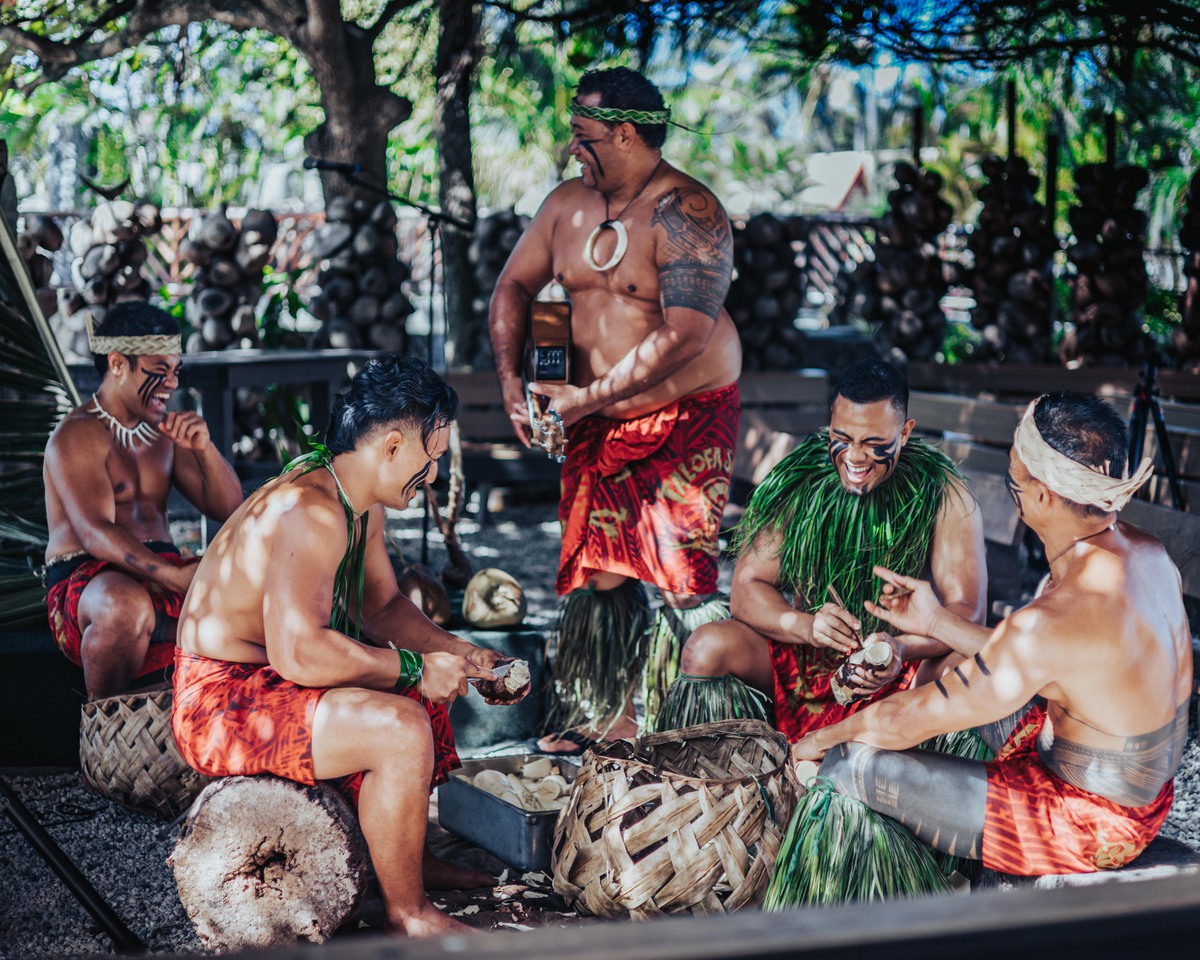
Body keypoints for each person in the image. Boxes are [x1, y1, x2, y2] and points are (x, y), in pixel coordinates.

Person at [171, 356, 520, 938]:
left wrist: (457, 653)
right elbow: (298, 654)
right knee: (401, 727)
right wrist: (412, 666)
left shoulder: (357, 502)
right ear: (390, 445)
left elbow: (379, 607)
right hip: (218, 705)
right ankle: (408, 911)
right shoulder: (312, 512)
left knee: (426, 695)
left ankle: (411, 862)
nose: (431, 475)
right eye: (429, 458)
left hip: (264, 683)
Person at [792, 391, 1190, 876]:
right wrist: (938, 623)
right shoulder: (1145, 553)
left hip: (1091, 823)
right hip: (1144, 793)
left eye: (1013, 477)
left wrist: (816, 741)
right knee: (952, 663)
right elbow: (1042, 660)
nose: (1009, 484)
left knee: (848, 764)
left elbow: (906, 722)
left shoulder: (1055, 622)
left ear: (1043, 496)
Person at [489, 66, 743, 748]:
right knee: (599, 571)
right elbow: (515, 285)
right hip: (592, 413)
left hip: (684, 413)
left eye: (584, 135)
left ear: (624, 133)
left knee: (679, 578)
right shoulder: (566, 206)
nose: (573, 148)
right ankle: (604, 711)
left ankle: (687, 725)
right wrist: (514, 383)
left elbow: (686, 333)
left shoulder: (690, 213)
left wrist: (586, 400)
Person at [660, 358, 987, 738]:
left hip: (901, 673)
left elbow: (968, 613)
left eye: (872, 442)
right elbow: (747, 589)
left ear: (906, 431)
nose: (854, 458)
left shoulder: (944, 491)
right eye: (843, 438)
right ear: (830, 420)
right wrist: (808, 627)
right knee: (706, 646)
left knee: (970, 663)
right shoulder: (802, 481)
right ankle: (722, 778)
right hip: (803, 664)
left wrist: (899, 649)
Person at [43, 301, 243, 699]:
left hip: (161, 571)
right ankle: (107, 731)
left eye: (175, 371)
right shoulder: (78, 434)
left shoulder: (164, 430)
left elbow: (230, 509)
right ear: (118, 364)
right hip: (87, 580)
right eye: (159, 370)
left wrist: (204, 450)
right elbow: (94, 532)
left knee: (258, 590)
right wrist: (176, 580)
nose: (171, 384)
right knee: (125, 606)